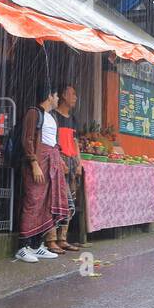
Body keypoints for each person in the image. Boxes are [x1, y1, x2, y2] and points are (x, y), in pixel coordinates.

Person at [14, 85, 70, 263]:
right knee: (33, 201)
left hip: (50, 164)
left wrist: (59, 160)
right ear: (49, 96)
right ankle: (22, 246)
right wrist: (34, 163)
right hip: (38, 163)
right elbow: (27, 139)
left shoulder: (51, 117)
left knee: (45, 203)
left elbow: (52, 142)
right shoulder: (34, 113)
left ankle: (37, 246)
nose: (57, 99)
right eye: (55, 96)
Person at [52, 83, 84, 251]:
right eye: (72, 94)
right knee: (62, 200)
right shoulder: (54, 117)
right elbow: (52, 142)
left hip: (72, 161)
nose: (75, 98)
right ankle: (52, 239)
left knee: (71, 196)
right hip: (60, 160)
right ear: (63, 95)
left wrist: (79, 162)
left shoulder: (73, 119)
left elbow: (75, 142)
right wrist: (59, 160)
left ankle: (62, 238)